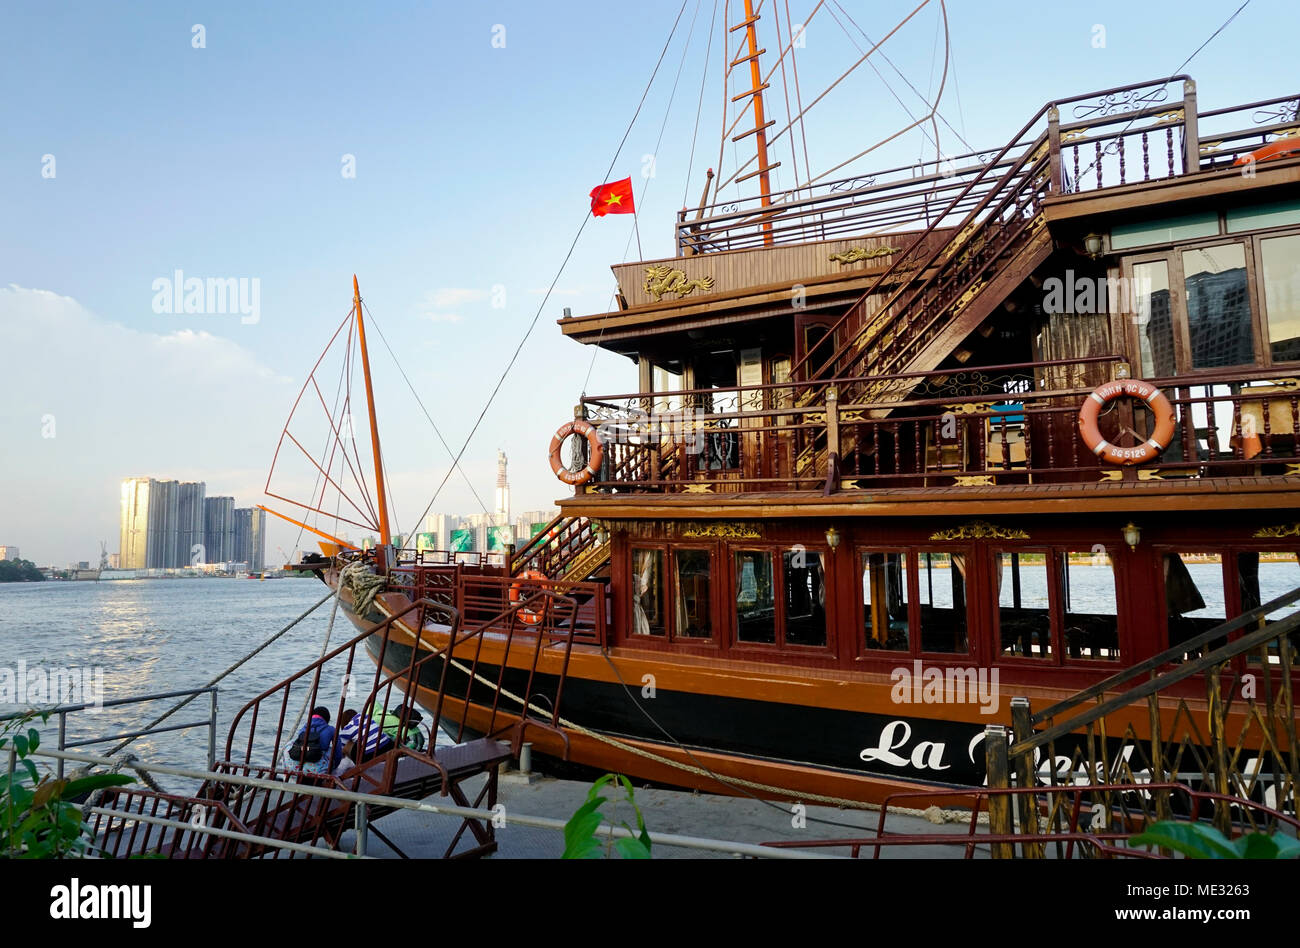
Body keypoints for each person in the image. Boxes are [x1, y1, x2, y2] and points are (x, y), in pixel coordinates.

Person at [285, 707, 337, 775]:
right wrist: (334, 768)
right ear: (327, 719)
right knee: (331, 750)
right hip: (318, 770)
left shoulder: (303, 728)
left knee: (290, 743)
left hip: (296, 768)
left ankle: (289, 774)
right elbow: (338, 752)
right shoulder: (331, 729)